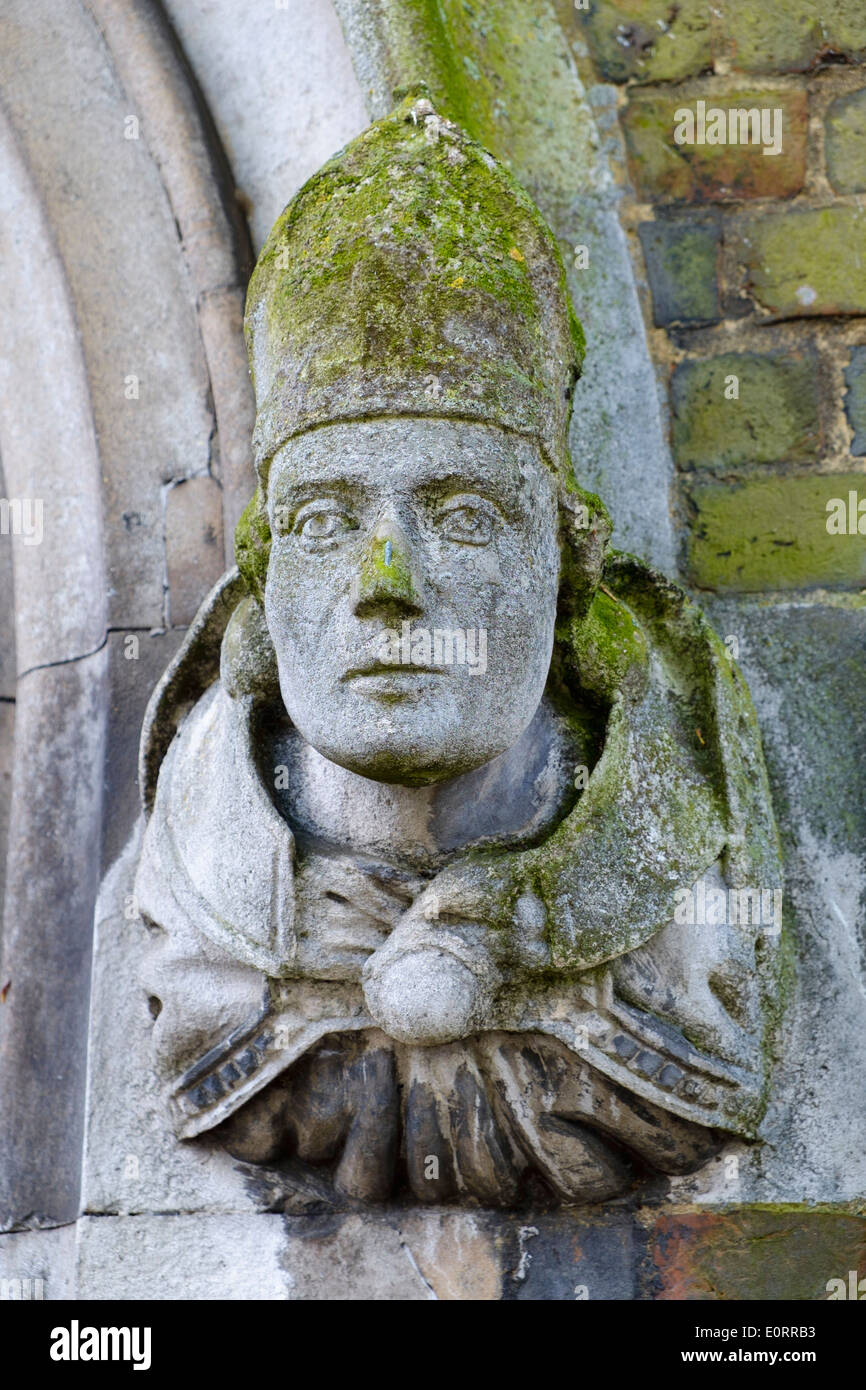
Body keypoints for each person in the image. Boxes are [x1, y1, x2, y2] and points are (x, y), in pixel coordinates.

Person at [136, 91, 782, 1207]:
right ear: (263, 575)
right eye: (326, 521)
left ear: (565, 561)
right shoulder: (188, 934)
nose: (386, 588)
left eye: (463, 514)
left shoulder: (691, 947)